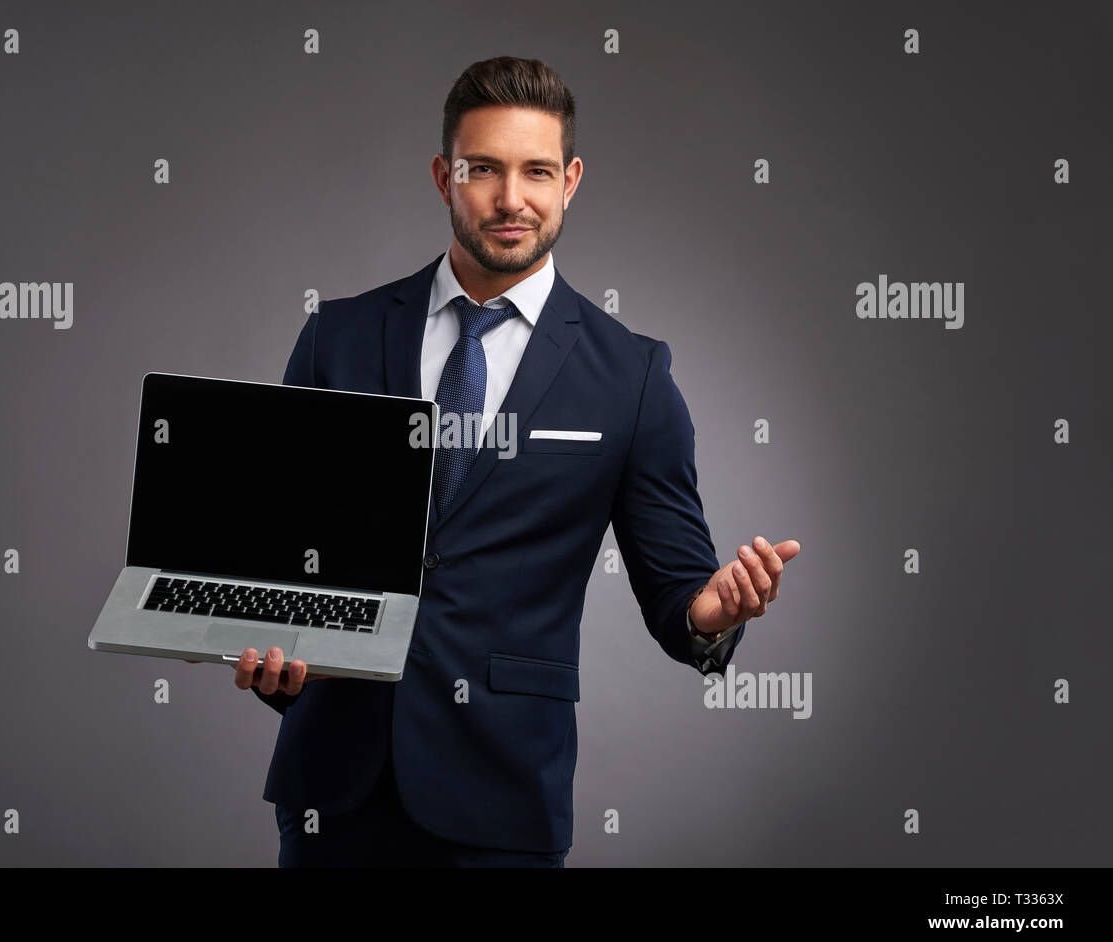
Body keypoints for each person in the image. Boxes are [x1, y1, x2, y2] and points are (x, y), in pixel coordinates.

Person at [218, 56, 799, 866]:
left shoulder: (632, 377)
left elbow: (678, 592)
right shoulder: (337, 337)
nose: (510, 198)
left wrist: (711, 613)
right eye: (483, 169)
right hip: (332, 791)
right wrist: (271, 652)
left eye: (536, 170)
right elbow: (280, 560)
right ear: (443, 176)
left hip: (504, 801)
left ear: (571, 181)